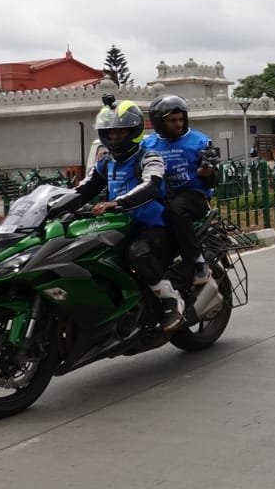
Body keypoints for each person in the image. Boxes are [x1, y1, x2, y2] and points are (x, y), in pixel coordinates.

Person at [73, 100, 183, 331]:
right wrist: (56, 205)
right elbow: (85, 188)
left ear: (133, 130)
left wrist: (117, 203)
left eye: (120, 130)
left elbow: (151, 185)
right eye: (110, 131)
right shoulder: (106, 162)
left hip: (150, 225)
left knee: (138, 254)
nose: (115, 136)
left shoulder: (148, 156)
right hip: (117, 225)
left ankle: (170, 301)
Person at [143, 95, 219, 287]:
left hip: (194, 196)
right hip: (161, 196)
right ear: (159, 122)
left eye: (180, 119)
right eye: (172, 121)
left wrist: (206, 173)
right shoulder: (148, 145)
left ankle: (198, 262)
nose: (178, 124)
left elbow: (215, 180)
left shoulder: (200, 141)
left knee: (175, 211)